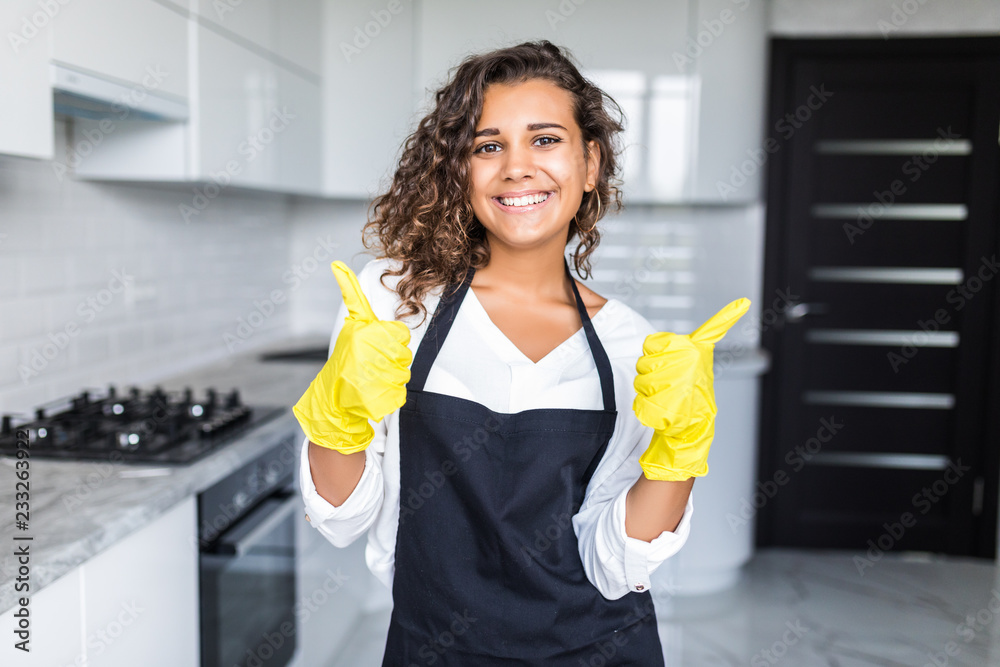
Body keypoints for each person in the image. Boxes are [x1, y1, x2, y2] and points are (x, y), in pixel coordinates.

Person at [293, 40, 749, 666]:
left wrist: (678, 458)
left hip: (597, 648)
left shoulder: (633, 346)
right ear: (461, 169)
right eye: (487, 146)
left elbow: (616, 563)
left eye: (544, 140)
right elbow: (342, 519)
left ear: (590, 164)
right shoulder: (393, 301)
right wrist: (337, 420)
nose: (516, 167)